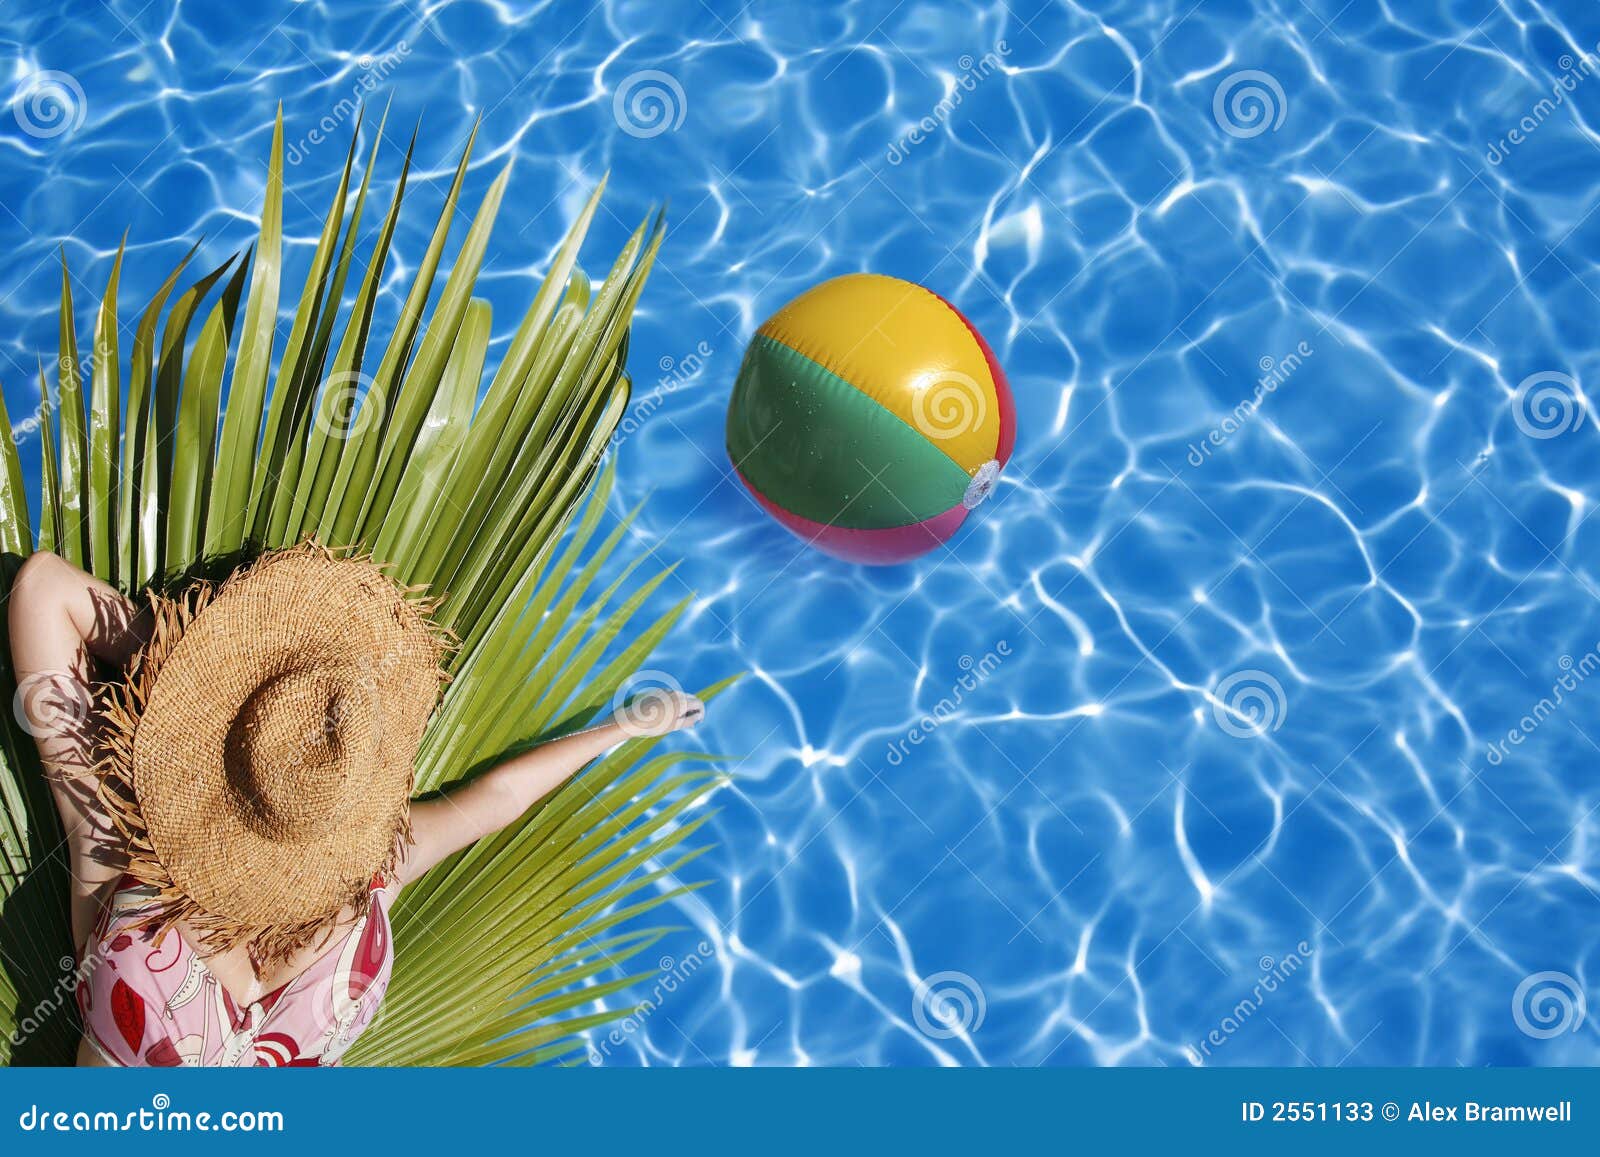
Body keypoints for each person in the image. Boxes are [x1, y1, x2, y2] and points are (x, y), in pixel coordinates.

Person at [7, 544, 703, 1066]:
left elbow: (45, 589)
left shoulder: (121, 854)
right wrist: (622, 728)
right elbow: (494, 800)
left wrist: (187, 690)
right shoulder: (368, 870)